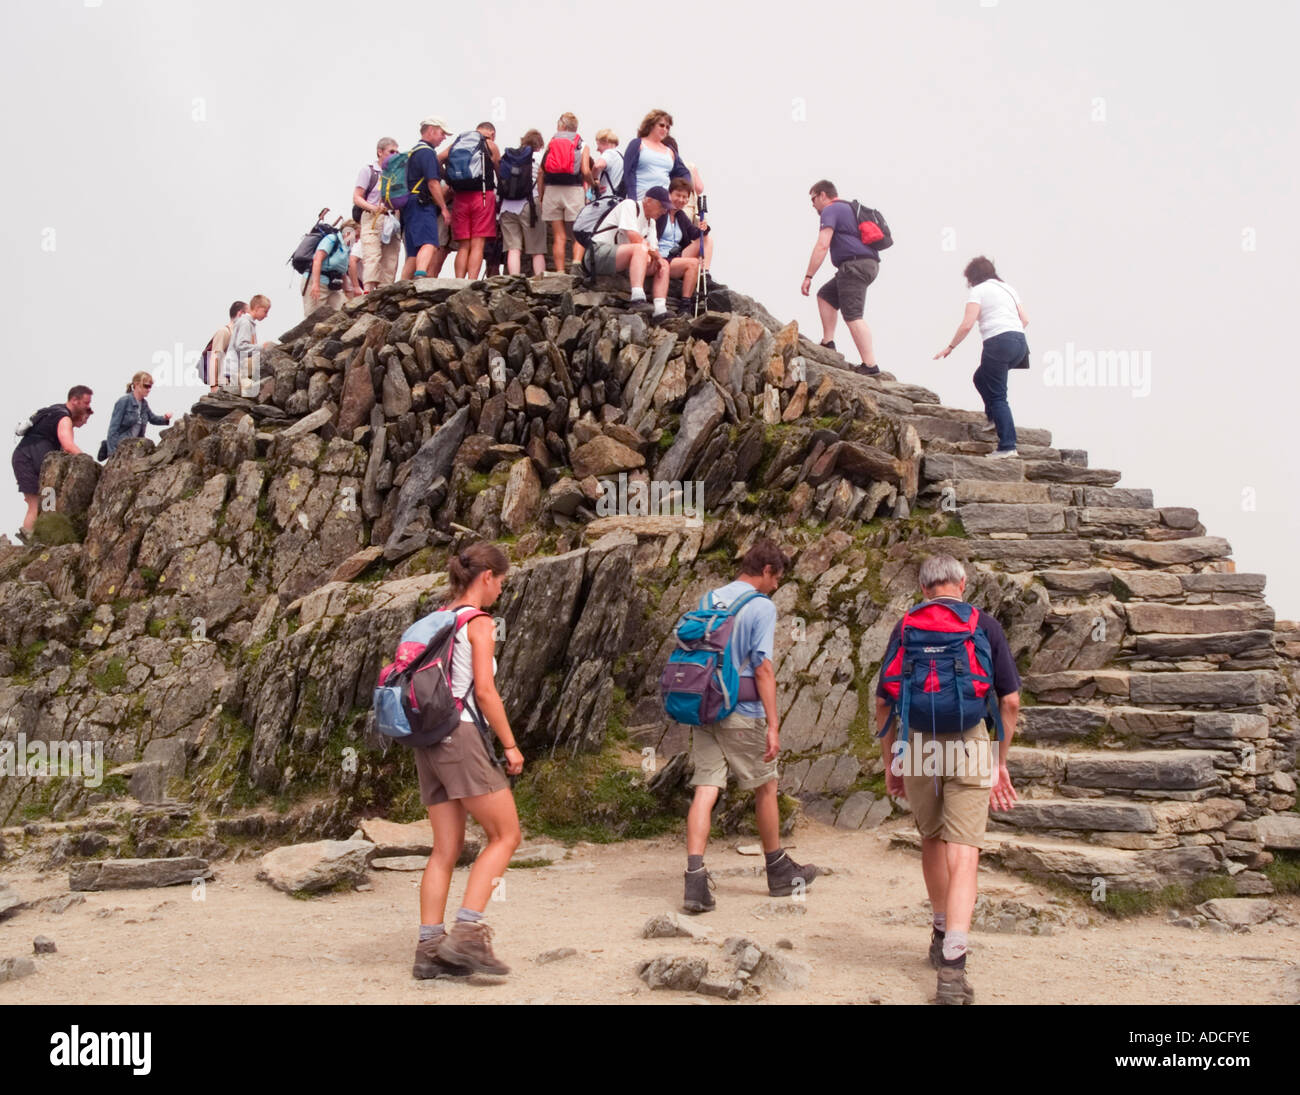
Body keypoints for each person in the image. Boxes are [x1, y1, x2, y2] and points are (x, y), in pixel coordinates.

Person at [875, 554, 1020, 1005]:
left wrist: (891, 760)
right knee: (965, 853)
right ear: (962, 582)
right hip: (970, 742)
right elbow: (1010, 701)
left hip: (918, 741)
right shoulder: (984, 624)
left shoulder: (905, 627)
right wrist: (1000, 759)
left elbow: (883, 703)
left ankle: (939, 931)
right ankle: (953, 970)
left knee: (932, 840)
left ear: (923, 589)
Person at [681, 539, 819, 914]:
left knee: (706, 787)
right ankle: (776, 868)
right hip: (742, 709)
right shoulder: (761, 606)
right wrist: (773, 725)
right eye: (777, 578)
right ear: (768, 570)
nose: (776, 586)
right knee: (766, 785)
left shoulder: (711, 598)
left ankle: (695, 877)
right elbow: (763, 668)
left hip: (705, 706)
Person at [412, 543, 524, 980]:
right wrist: (510, 745)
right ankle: (469, 935)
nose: (500, 590)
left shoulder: (436, 618)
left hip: (427, 739)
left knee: (445, 849)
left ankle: (429, 950)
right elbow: (485, 692)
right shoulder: (479, 622)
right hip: (460, 735)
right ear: (486, 578)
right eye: (501, 581)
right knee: (505, 835)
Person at [934, 257, 1030, 458]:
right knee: (980, 378)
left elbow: (967, 324)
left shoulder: (978, 291)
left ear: (973, 277)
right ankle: (994, 418)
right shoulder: (1008, 288)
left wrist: (950, 346)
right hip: (1020, 343)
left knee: (998, 396)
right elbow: (1025, 319)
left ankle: (1007, 447)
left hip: (998, 343)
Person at [803, 179, 882, 377]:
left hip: (854, 266)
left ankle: (870, 365)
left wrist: (808, 276)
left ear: (823, 195)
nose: (812, 205)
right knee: (826, 296)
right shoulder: (848, 208)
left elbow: (822, 245)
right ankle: (828, 342)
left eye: (813, 199)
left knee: (853, 315)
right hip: (865, 264)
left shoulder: (831, 209)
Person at [12, 386, 93, 543]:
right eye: (86, 403)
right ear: (75, 400)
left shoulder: (54, 411)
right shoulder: (63, 418)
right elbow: (68, 446)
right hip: (30, 459)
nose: (88, 407)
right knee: (37, 504)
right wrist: (89, 462)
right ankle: (31, 539)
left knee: (40, 503)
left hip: (26, 457)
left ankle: (34, 538)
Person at [585, 187, 675, 321]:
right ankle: (637, 299)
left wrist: (659, 260)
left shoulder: (651, 222)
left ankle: (660, 309)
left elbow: (654, 249)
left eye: (666, 208)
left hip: (620, 257)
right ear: (648, 200)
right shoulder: (629, 205)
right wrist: (652, 255)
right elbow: (634, 237)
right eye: (661, 206)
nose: (664, 211)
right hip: (597, 254)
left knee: (663, 265)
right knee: (640, 248)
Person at [440, 122, 502, 280]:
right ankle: (472, 282)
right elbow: (499, 172)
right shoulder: (490, 145)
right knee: (478, 244)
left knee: (463, 245)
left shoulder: (458, 143)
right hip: (482, 197)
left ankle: (459, 280)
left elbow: (437, 159)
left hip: (460, 197)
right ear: (492, 133)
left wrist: (448, 178)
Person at [536, 112, 591, 274]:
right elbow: (585, 170)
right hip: (574, 190)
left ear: (562, 126)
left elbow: (541, 171)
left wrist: (541, 195)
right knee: (578, 232)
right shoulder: (582, 144)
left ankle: (560, 272)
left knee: (559, 235)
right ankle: (575, 263)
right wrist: (593, 183)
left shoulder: (552, 142)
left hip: (552, 190)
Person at [400, 118, 452, 281]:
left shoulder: (413, 152)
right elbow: (433, 182)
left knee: (413, 252)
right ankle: (421, 277)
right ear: (431, 130)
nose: (444, 137)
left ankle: (401, 286)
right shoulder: (428, 153)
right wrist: (443, 208)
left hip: (408, 205)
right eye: (442, 133)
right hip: (423, 204)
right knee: (429, 242)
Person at [354, 137, 403, 290]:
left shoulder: (397, 173)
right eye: (391, 151)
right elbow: (357, 197)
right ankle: (368, 292)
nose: (395, 154)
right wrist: (373, 207)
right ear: (380, 152)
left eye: (397, 151)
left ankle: (385, 292)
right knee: (372, 255)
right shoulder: (369, 171)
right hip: (372, 216)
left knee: (390, 258)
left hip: (391, 218)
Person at [499, 130, 547, 277]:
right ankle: (540, 282)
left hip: (506, 206)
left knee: (513, 248)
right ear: (540, 144)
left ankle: (513, 280)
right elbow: (542, 177)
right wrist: (541, 199)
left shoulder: (510, 158)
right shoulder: (539, 157)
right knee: (537, 249)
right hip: (530, 205)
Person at [653, 178, 702, 313]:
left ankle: (705, 274)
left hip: (675, 256)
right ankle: (685, 303)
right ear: (670, 194)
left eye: (685, 197)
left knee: (704, 240)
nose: (681, 200)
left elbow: (693, 233)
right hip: (660, 256)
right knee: (693, 263)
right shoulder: (662, 212)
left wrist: (704, 228)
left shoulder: (680, 215)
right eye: (678, 195)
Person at [621, 109, 692, 200]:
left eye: (667, 127)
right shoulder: (637, 144)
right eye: (661, 125)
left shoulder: (670, 150)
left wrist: (681, 190)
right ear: (651, 125)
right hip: (641, 197)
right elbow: (628, 173)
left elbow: (684, 172)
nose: (664, 129)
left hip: (663, 201)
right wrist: (632, 200)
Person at [105, 372, 172, 457]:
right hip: (122, 446)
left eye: (150, 386)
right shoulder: (124, 401)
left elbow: (152, 418)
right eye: (146, 386)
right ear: (136, 385)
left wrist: (165, 418)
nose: (149, 389)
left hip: (136, 446)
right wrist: (112, 454)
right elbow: (113, 430)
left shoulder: (144, 404)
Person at [303, 220, 358, 316]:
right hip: (317, 283)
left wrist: (348, 291)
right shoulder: (332, 239)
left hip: (333, 287)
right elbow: (317, 260)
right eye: (356, 236)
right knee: (313, 317)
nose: (357, 240)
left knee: (343, 312)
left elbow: (343, 271)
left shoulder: (346, 248)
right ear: (348, 233)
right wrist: (315, 285)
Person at [229, 295, 271, 395]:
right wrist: (262, 347)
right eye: (265, 311)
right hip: (237, 370)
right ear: (256, 308)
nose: (266, 315)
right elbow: (241, 346)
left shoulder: (248, 323)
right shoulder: (245, 323)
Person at [205, 301, 245, 393]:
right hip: (223, 385)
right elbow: (214, 358)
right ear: (240, 314)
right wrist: (214, 385)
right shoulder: (224, 332)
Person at [591, 128, 624, 197]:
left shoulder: (609, 153)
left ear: (605, 142)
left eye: (598, 144)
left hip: (605, 199)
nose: (597, 149)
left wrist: (594, 180)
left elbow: (597, 165)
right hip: (616, 197)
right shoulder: (620, 156)